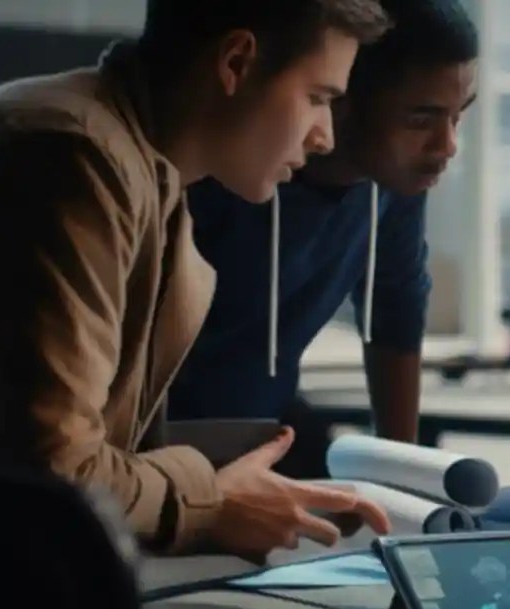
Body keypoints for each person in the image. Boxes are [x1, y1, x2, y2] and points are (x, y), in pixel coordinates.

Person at [0, 0, 393, 561]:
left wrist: (231, 491)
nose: (324, 137)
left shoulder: (151, 169)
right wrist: (212, 501)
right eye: (318, 98)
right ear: (237, 62)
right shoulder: (73, 153)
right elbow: (57, 469)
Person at [168, 0, 479, 479]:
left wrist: (407, 483)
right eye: (421, 120)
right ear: (343, 95)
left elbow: (396, 313)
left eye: (459, 117)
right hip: (159, 444)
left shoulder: (393, 185)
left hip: (266, 431)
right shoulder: (225, 171)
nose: (447, 147)